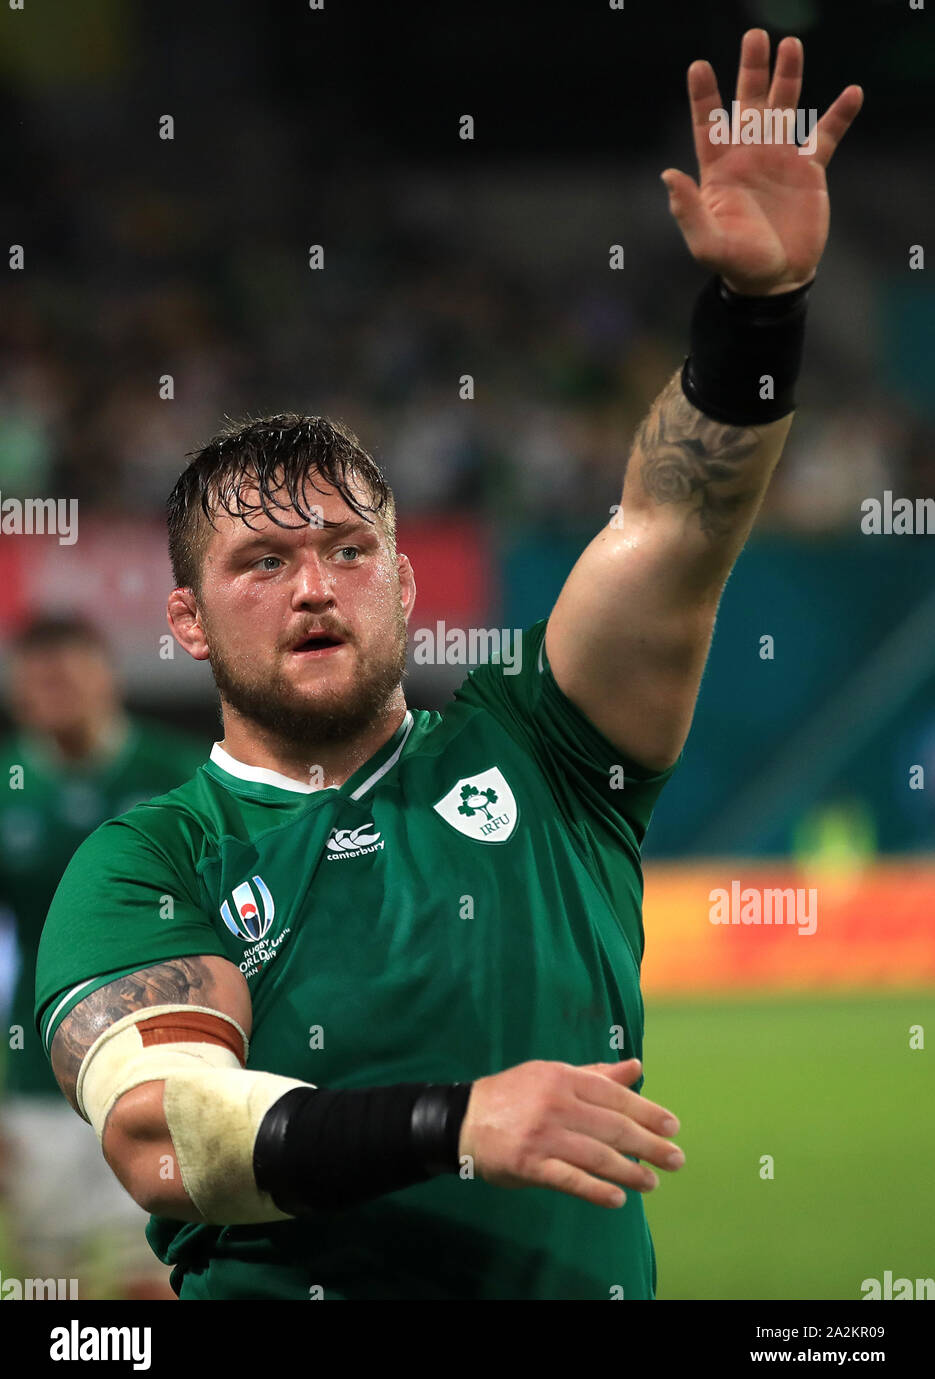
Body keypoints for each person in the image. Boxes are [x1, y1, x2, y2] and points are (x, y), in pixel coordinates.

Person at [34, 30, 861, 1299]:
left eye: (347, 548)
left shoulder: (546, 746)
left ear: (406, 580)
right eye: (260, 561)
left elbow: (675, 528)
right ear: (186, 624)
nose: (313, 583)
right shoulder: (152, 856)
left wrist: (755, 315)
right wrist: (458, 1120)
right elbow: (168, 1132)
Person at [0, 616, 203, 1297]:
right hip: (39, 1073)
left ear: (106, 677)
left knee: (156, 1275)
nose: (53, 691)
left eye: (67, 673)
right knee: (54, 1279)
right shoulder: (8, 786)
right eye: (38, 679)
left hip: (161, 1063)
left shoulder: (179, 776)